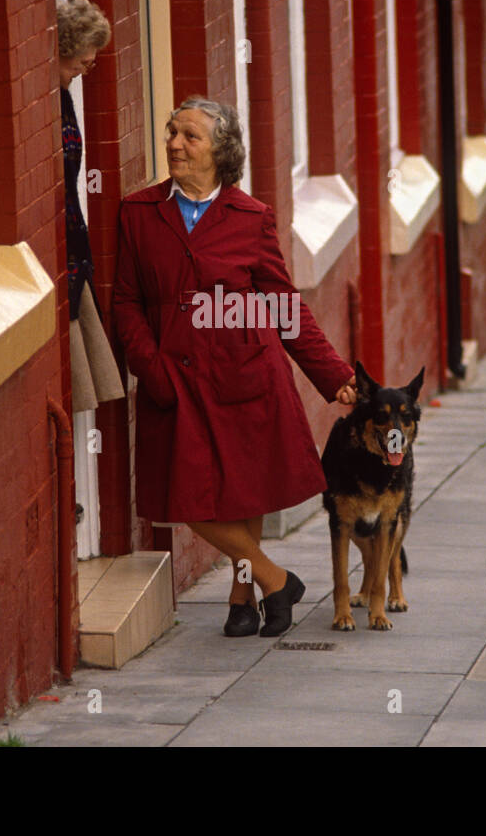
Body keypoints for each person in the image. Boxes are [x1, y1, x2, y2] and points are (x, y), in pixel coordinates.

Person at [113, 96, 358, 638]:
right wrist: (150, 366)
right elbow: (126, 302)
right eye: (172, 132)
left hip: (243, 371)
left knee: (243, 490)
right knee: (189, 496)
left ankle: (242, 598)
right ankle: (277, 580)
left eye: (190, 137)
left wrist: (333, 374)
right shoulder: (138, 213)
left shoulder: (251, 218)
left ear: (221, 152)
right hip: (172, 379)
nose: (174, 143)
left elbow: (282, 303)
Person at [58, 0, 124, 411]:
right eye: (80, 63)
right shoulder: (46, 98)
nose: (84, 72)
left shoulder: (63, 96)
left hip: (74, 242)